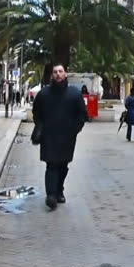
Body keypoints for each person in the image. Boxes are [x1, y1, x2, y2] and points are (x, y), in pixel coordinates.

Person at [33, 64, 88, 210]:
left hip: (67, 137)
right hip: (49, 136)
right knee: (51, 164)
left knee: (63, 165)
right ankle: (51, 195)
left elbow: (82, 114)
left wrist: (75, 129)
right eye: (55, 72)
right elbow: (36, 112)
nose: (57, 74)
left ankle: (59, 191)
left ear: (65, 74)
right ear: (52, 75)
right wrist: (39, 127)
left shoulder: (74, 94)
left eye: (60, 71)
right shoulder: (44, 94)